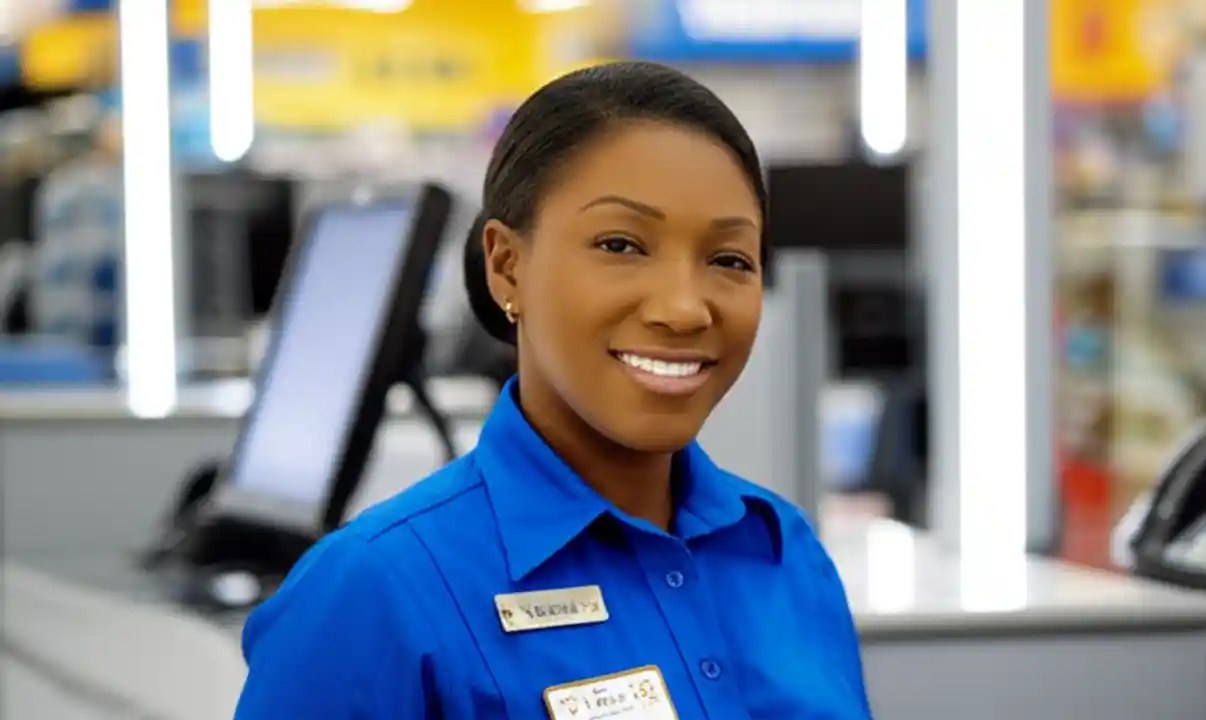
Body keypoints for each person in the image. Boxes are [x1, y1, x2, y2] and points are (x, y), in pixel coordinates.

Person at [234, 60, 874, 719]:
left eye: (729, 260)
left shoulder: (783, 554)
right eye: (622, 244)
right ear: (507, 267)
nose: (685, 309)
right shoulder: (372, 593)